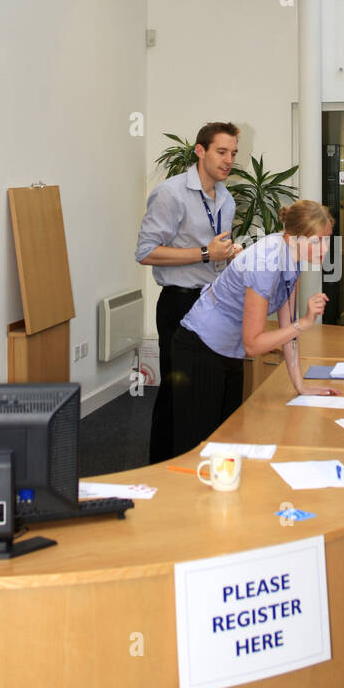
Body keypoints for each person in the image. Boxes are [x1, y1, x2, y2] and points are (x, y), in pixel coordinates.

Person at [171, 200, 338, 456]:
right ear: (293, 237)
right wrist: (303, 323)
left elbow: (288, 330)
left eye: (327, 239)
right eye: (317, 241)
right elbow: (255, 343)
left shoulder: (293, 257)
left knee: (226, 439)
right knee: (196, 446)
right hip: (200, 347)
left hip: (229, 349)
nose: (325, 248)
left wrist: (301, 386)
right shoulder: (266, 263)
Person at [136, 122, 241, 463]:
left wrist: (228, 257)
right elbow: (146, 252)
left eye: (234, 153)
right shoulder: (171, 193)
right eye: (221, 152)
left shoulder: (226, 199)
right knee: (176, 391)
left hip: (214, 303)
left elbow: (216, 252)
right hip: (180, 303)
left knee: (212, 391)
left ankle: (203, 463)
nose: (229, 160)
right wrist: (206, 253)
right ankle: (161, 469)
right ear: (200, 151)